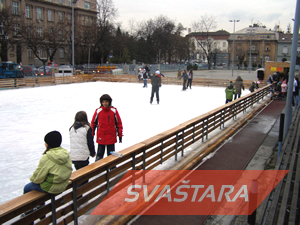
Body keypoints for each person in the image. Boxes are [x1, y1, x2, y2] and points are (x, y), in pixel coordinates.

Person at [91, 94, 123, 161]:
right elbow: (93, 123)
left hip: (111, 137)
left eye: (106, 102)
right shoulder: (98, 111)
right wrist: (92, 133)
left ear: (109, 102)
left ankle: (112, 168)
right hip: (101, 137)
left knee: (111, 155)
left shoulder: (114, 111)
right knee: (100, 154)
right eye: (103, 102)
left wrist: (120, 134)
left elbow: (119, 123)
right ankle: (98, 168)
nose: (104, 103)